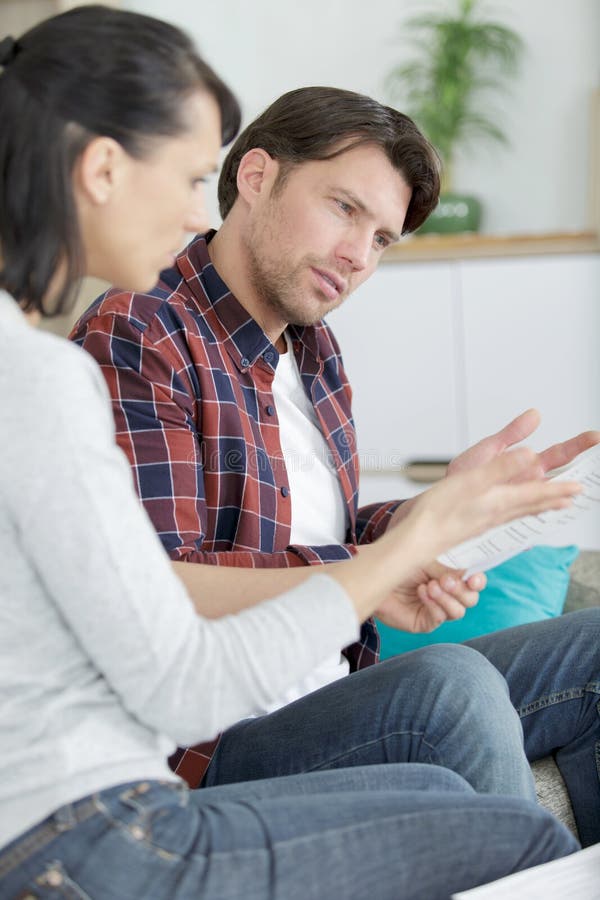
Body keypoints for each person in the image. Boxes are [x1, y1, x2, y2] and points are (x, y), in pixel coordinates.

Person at [0, 6, 588, 898]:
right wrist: (385, 562)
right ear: (256, 177)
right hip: (175, 764)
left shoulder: (315, 353)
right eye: (344, 209)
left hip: (300, 691)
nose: (358, 256)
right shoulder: (123, 338)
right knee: (454, 693)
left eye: (382, 239)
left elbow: (303, 540)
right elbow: (171, 614)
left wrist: (425, 521)